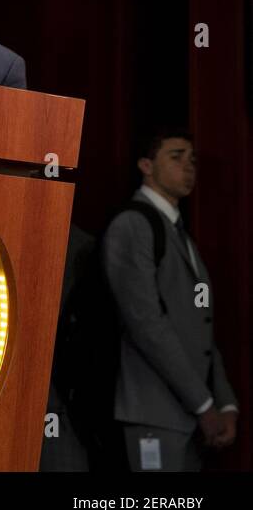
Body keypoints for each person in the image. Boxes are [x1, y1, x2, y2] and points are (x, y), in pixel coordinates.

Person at [102, 127, 239, 470]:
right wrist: (205, 404)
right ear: (146, 165)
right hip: (154, 410)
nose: (189, 167)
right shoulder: (133, 225)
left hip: (188, 413)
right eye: (176, 157)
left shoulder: (179, 234)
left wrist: (225, 404)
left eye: (192, 159)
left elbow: (202, 328)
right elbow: (145, 323)